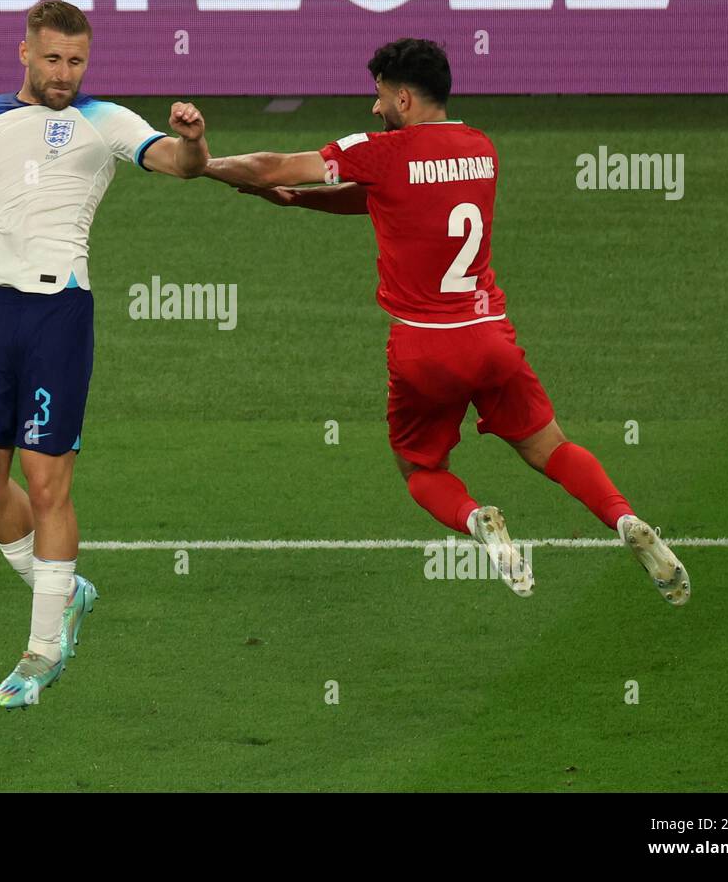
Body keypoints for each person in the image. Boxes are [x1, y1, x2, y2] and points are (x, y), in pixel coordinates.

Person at [202, 38, 689, 605]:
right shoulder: (480, 147)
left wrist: (201, 165)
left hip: (423, 350)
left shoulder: (384, 151)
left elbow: (275, 166)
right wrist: (301, 202)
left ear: (403, 97)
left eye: (379, 96)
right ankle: (625, 519)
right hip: (490, 338)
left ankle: (476, 518)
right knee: (549, 448)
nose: (374, 109)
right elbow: (392, 197)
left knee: (420, 467)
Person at [0, 0, 209, 707]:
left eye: (76, 61)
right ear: (24, 53)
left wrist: (194, 141)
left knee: (48, 480)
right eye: (53, 59)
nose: (64, 73)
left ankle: (42, 651)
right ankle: (63, 592)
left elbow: (178, 165)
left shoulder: (105, 121)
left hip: (57, 315)